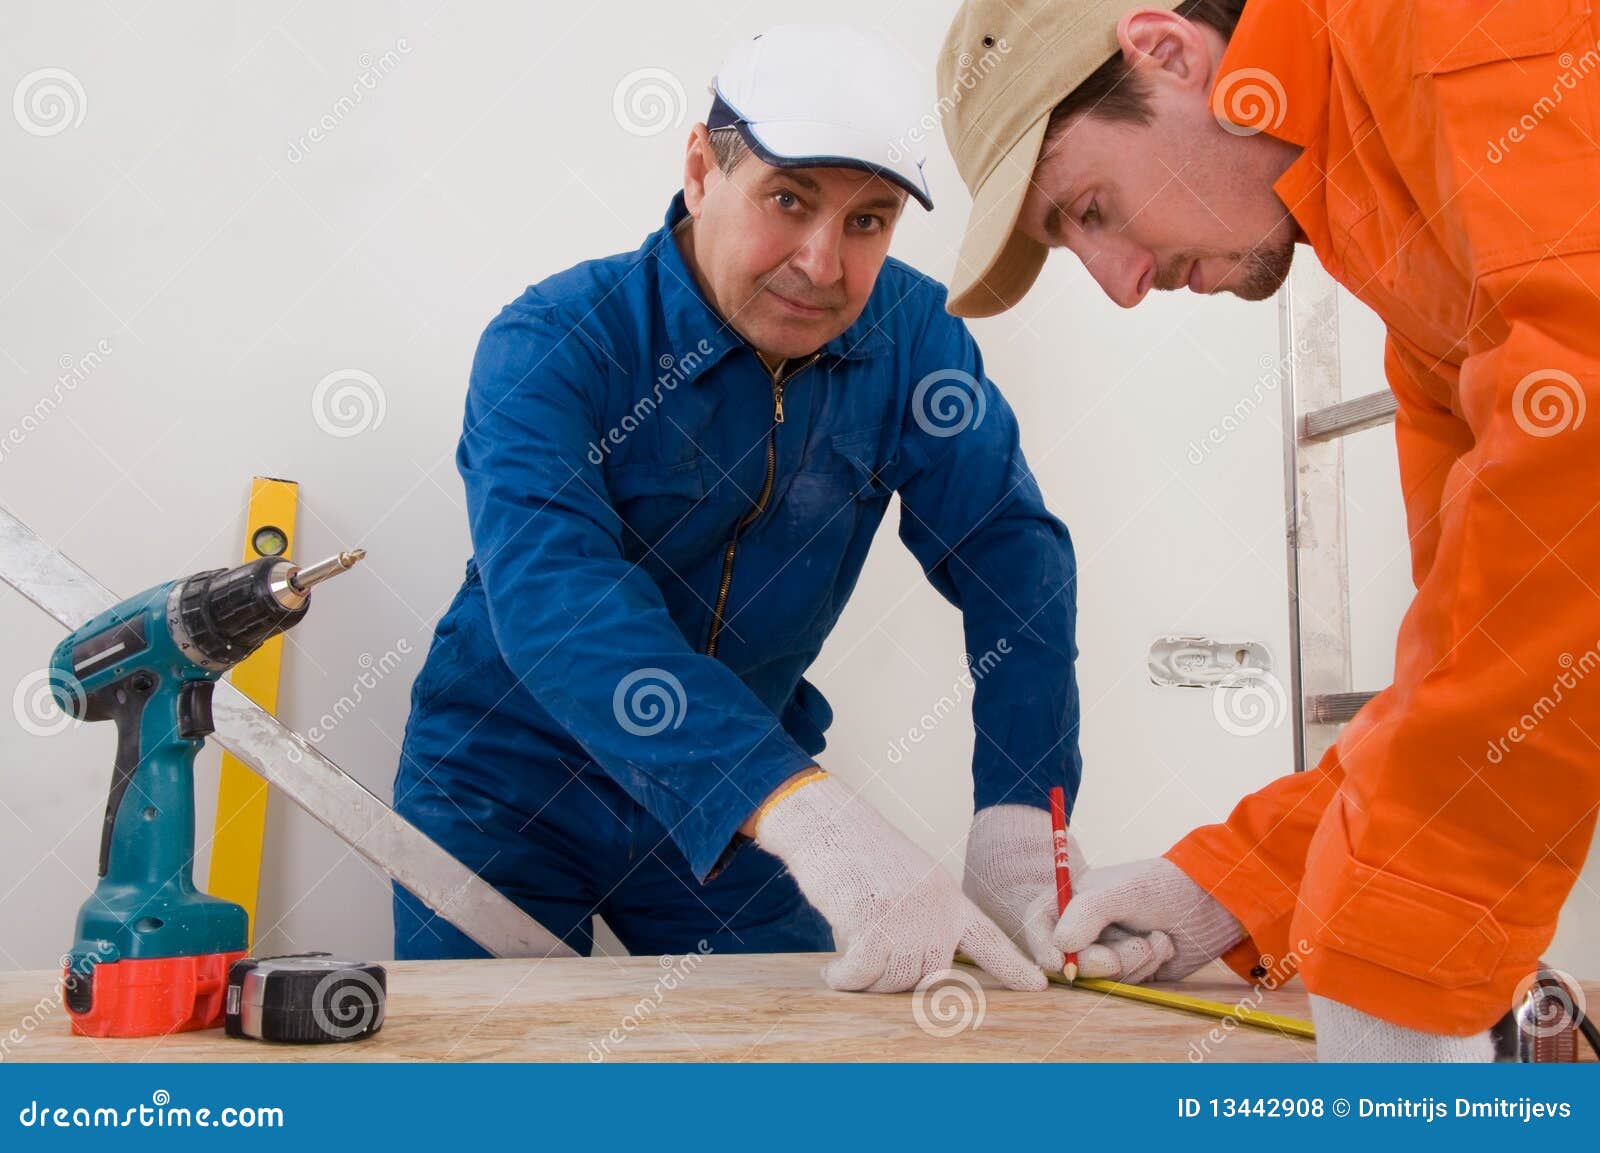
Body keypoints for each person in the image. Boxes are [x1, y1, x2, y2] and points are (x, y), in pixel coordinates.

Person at [936, 0, 1600, 1059]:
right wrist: (1235, 882)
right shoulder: (1409, 265)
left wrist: (1401, 935)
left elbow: (1582, 456)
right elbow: (1476, 657)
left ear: (1163, 52)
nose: (1118, 285)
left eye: (1091, 209)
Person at [393, 23, 1089, 995]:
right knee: (481, 1082)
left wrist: (1022, 814)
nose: (820, 263)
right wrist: (797, 805)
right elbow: (560, 597)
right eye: (788, 199)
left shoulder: (915, 339)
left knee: (793, 1068)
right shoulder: (554, 340)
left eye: (867, 221)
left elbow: (1012, 564)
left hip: (731, 815)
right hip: (507, 785)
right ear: (699, 171)